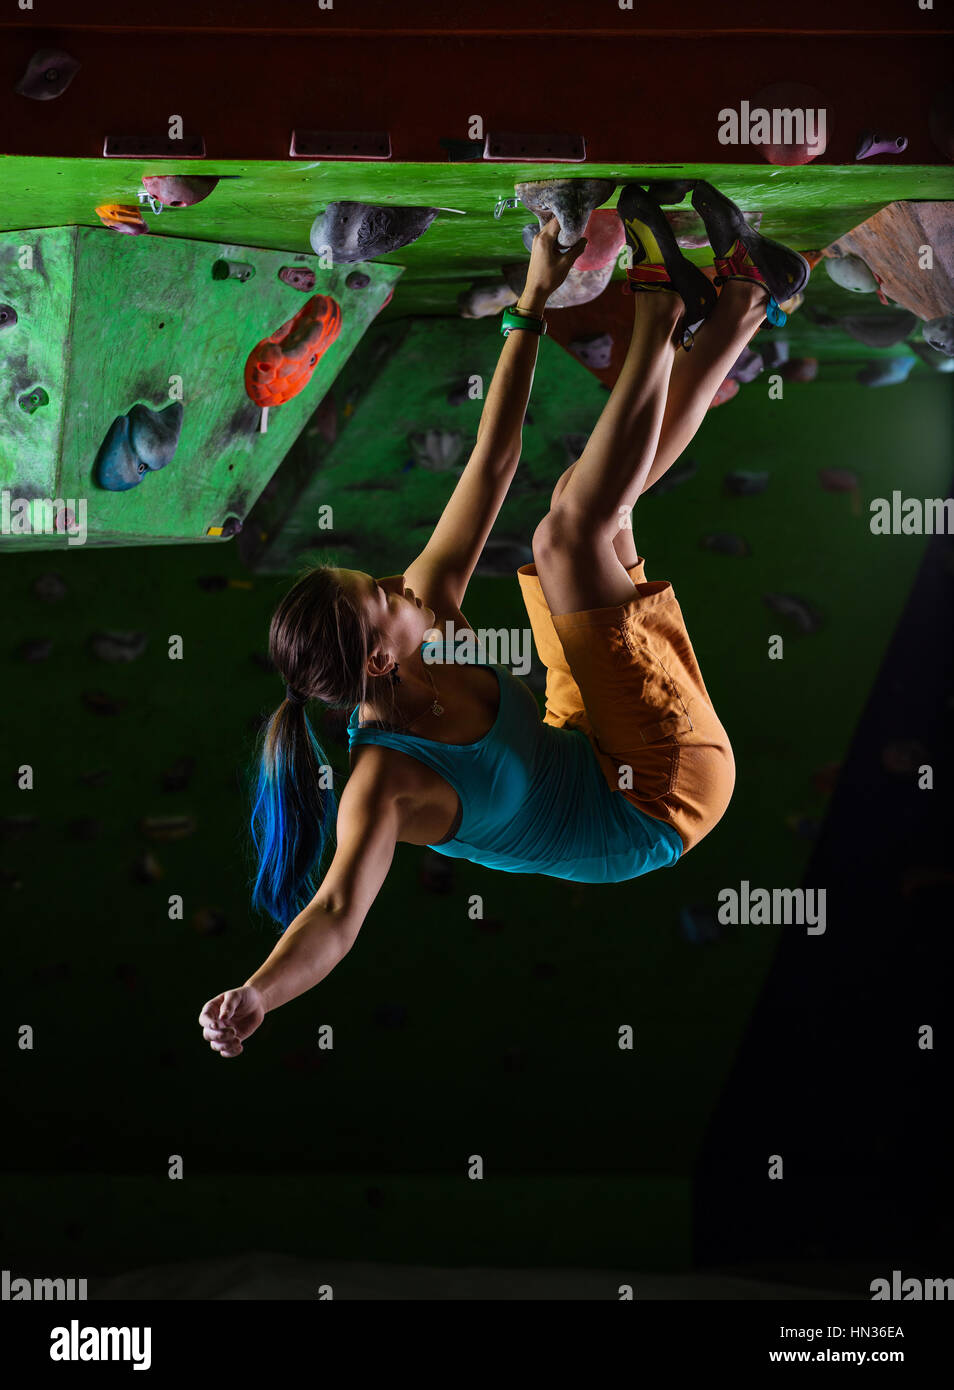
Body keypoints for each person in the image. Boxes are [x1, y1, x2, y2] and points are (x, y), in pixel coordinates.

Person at [199, 180, 810, 1057]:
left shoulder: (423, 611)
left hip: (586, 732)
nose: (400, 582)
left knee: (579, 509)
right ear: (377, 664)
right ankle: (663, 294)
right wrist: (258, 994)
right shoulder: (383, 786)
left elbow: (491, 462)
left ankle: (748, 301)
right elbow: (335, 913)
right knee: (570, 534)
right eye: (383, 594)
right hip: (658, 803)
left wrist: (531, 299)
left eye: (374, 575)